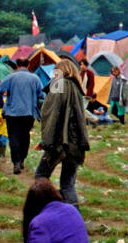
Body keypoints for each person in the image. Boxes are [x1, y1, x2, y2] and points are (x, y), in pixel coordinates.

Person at [34, 59, 90, 207]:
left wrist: (46, 141)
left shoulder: (59, 85)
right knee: (67, 184)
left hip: (59, 142)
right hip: (75, 144)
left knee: (40, 177)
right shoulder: (75, 88)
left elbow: (53, 115)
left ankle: (44, 208)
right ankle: (74, 216)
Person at [0, 58, 45, 174]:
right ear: (28, 65)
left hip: (12, 113)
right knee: (25, 136)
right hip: (28, 113)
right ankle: (22, 158)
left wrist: (1, 105)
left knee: (14, 137)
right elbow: (41, 95)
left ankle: (16, 162)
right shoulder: (35, 78)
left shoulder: (10, 77)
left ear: (17, 65)